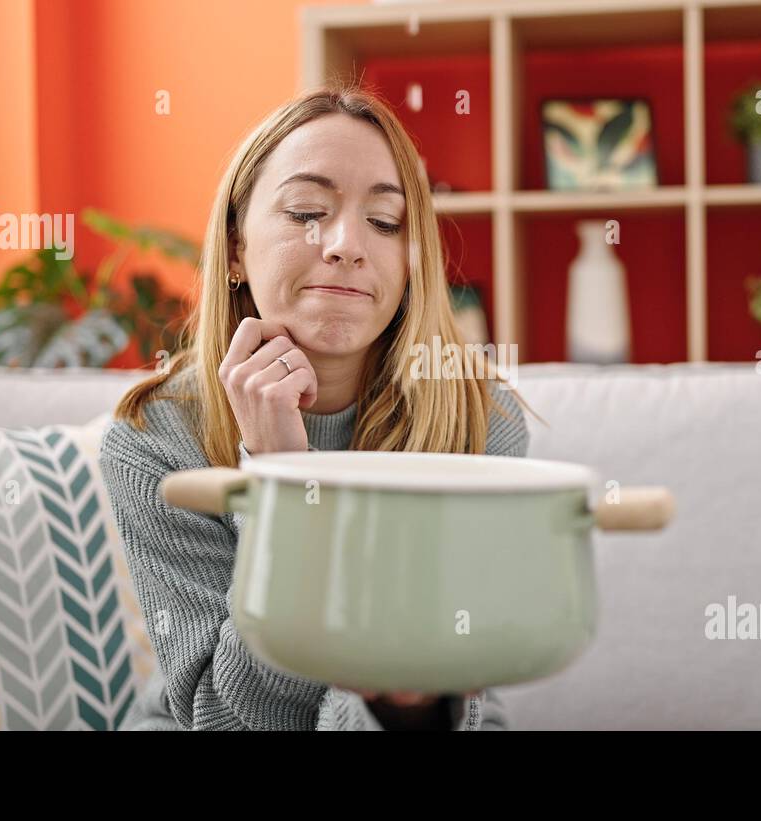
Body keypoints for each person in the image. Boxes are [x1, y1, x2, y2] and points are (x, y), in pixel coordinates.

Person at [98, 84, 531, 731]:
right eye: (307, 210)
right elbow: (229, 721)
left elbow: (439, 701)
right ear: (237, 246)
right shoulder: (154, 441)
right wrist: (282, 481)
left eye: (385, 221)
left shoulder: (481, 422)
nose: (347, 245)